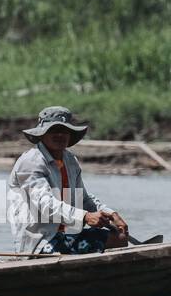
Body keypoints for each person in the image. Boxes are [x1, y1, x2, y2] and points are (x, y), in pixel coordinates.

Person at [8, 106, 129, 254]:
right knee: (62, 254)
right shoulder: (31, 162)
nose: (59, 135)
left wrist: (110, 215)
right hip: (40, 241)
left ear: (70, 134)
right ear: (42, 134)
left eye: (64, 131)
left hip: (69, 235)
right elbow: (46, 205)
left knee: (120, 237)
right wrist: (85, 217)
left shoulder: (70, 160)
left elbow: (83, 199)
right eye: (54, 130)